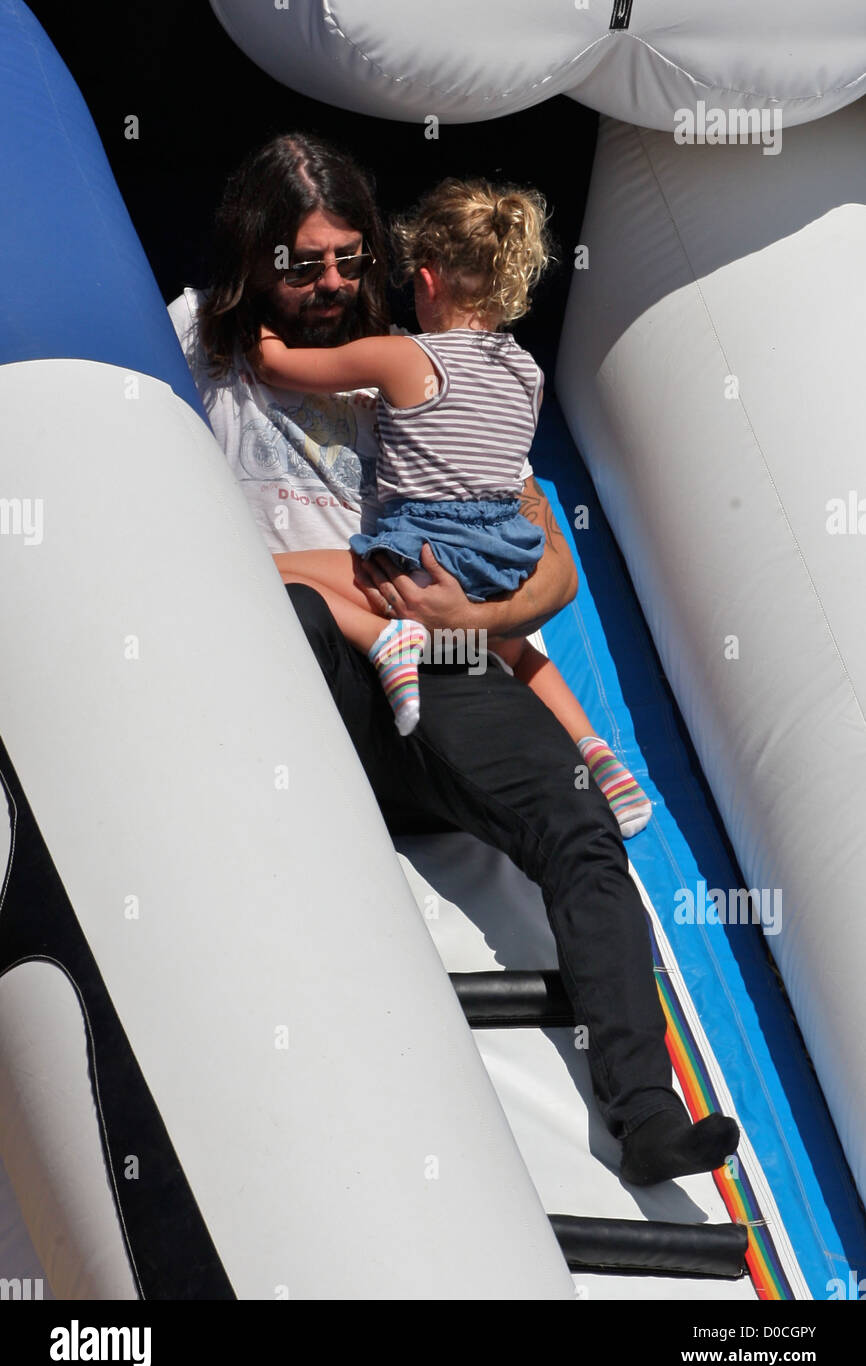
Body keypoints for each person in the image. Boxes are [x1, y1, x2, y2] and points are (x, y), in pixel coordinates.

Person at [168, 132, 739, 1184]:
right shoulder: (187, 345)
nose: (333, 283)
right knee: (285, 604)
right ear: (257, 258)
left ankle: (645, 1105)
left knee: (576, 824)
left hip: (438, 662)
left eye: (350, 259)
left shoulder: (436, 365)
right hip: (305, 672)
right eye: (305, 264)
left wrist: (463, 615)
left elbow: (550, 566)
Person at [249, 175, 653, 835]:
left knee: (272, 569)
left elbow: (285, 369)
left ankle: (387, 639)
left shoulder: (404, 357)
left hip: (430, 557)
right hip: (506, 557)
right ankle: (600, 758)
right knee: (514, 651)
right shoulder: (526, 374)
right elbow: (471, 451)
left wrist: (262, 338)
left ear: (429, 279)